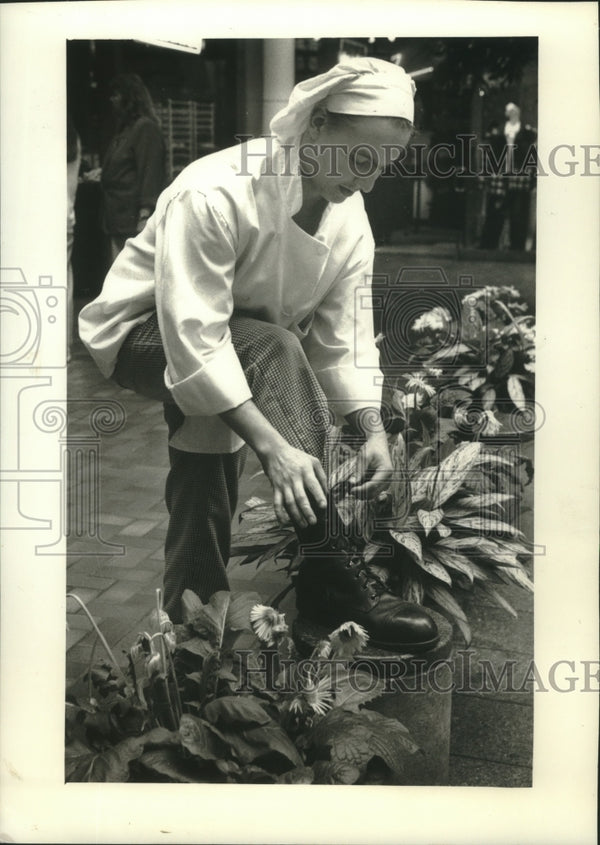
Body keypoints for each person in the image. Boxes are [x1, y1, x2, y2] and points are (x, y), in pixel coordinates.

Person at [79, 57, 439, 652]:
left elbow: (344, 334)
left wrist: (371, 427)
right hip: (141, 333)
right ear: (317, 125)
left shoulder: (350, 215)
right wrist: (275, 450)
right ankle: (331, 573)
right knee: (272, 345)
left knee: (206, 476)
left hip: (243, 353)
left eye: (385, 165)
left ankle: (191, 648)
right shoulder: (216, 189)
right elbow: (194, 335)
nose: (369, 182)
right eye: (360, 159)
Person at [98, 73, 166, 261]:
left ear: (129, 98)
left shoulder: (145, 128)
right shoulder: (126, 130)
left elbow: (150, 173)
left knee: (131, 272)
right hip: (117, 218)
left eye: (116, 95)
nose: (112, 100)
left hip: (131, 219)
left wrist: (144, 215)